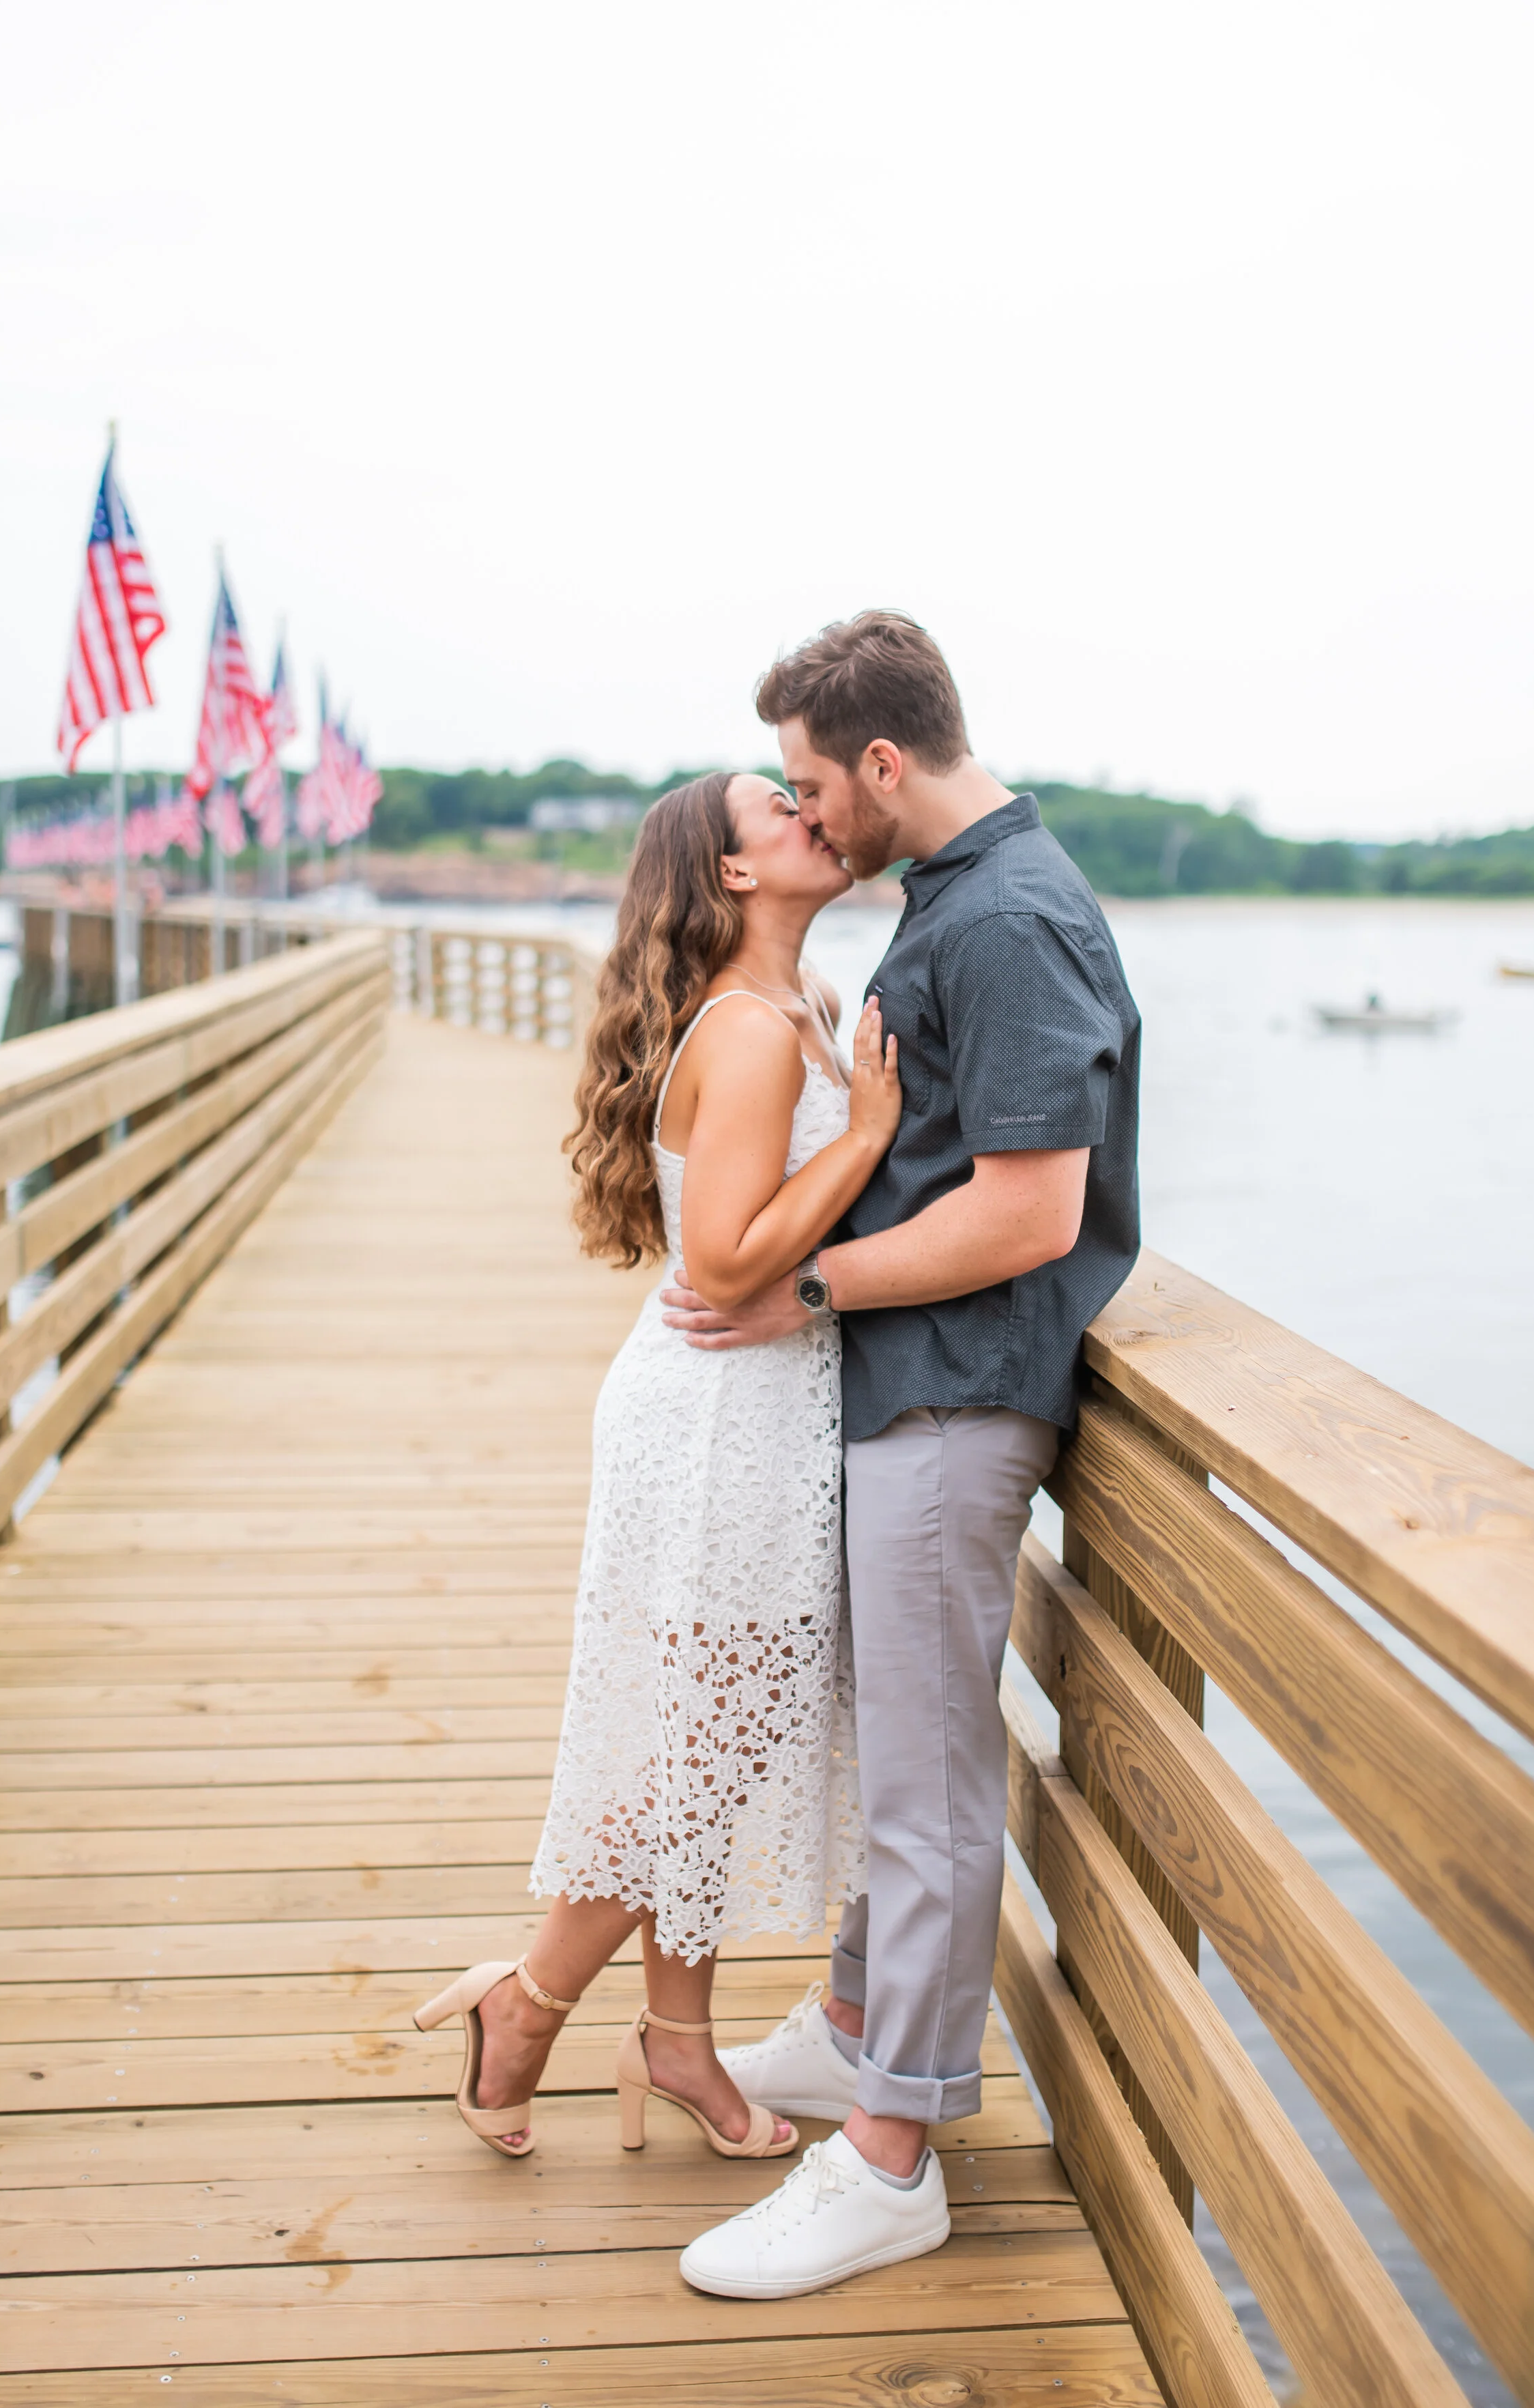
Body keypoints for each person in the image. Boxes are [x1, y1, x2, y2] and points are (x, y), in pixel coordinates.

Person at [667, 612, 1141, 2299]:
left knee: (932, 1792)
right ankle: (866, 2018)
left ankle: (890, 2159)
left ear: (882, 762)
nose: (809, 813)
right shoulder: (951, 900)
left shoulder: (1009, 921)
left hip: (956, 1393)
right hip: (905, 1386)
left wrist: (808, 1283)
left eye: (811, 782)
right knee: (906, 1767)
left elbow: (1028, 1209)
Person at [414, 769, 900, 2164]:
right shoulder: (750, 1029)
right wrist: (865, 1134)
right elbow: (726, 1259)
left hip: (742, 1406)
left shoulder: (796, 1003)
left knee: (703, 1738)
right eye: (781, 809)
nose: (816, 815)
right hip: (717, 1419)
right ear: (734, 873)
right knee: (702, 1745)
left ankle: (676, 2042)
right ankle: (530, 1999)